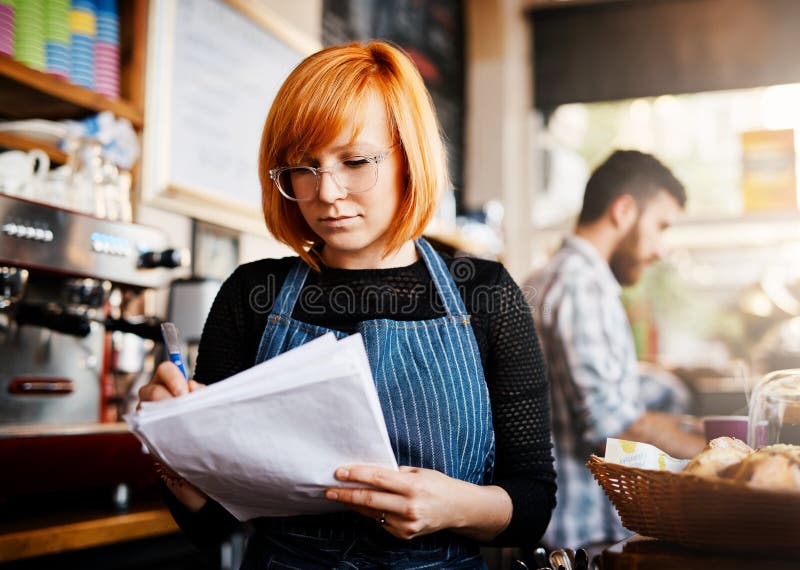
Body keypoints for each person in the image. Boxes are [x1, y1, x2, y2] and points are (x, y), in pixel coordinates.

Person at [139, 40, 556, 568]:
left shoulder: (486, 293)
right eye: (302, 167)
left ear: (410, 155)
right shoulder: (252, 296)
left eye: (356, 161)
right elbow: (214, 520)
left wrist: (453, 506)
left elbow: (533, 501)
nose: (327, 191)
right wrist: (172, 449)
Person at [523, 150, 706, 551]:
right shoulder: (579, 284)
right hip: (578, 539)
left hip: (569, 534)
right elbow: (610, 425)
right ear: (624, 210)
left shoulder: (557, 276)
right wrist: (725, 457)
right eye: (660, 226)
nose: (659, 249)